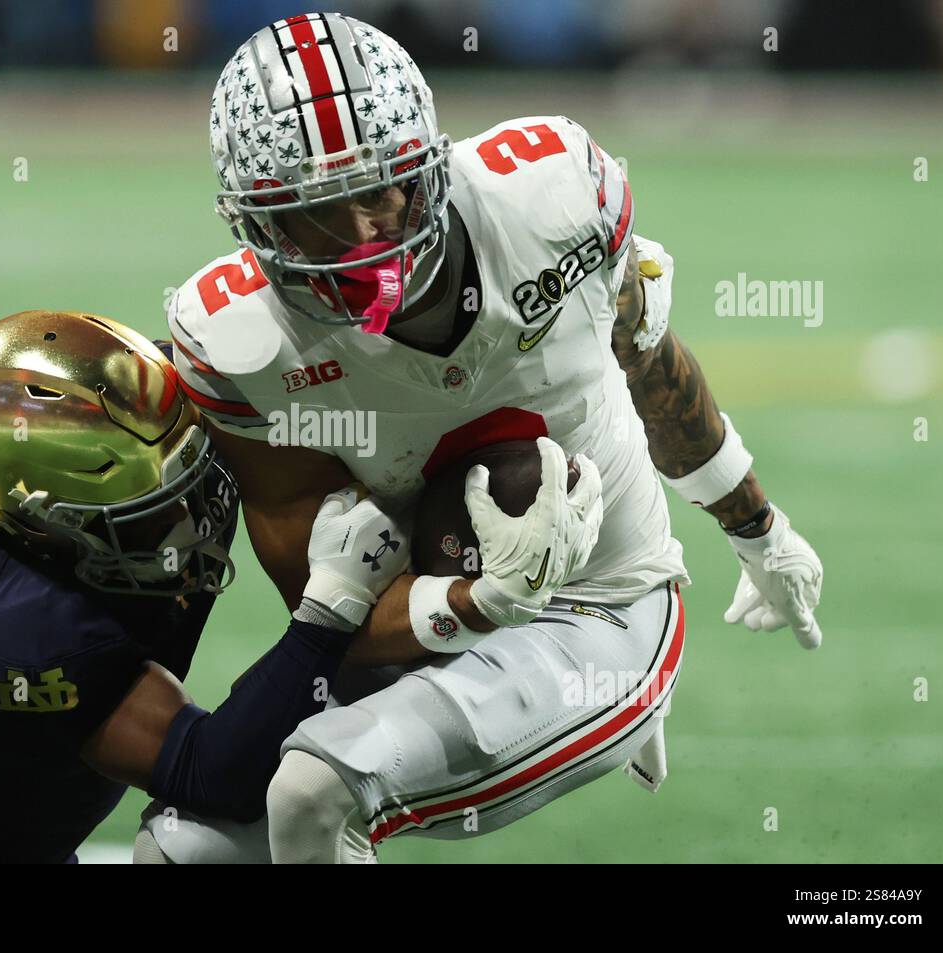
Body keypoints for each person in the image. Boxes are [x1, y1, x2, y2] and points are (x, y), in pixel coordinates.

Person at [148, 12, 824, 863]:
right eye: (319, 211)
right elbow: (325, 608)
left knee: (311, 791)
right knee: (183, 850)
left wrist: (759, 530)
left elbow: (652, 367)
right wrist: (472, 604)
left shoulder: (551, 199)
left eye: (382, 187)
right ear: (261, 226)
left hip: (604, 605)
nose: (365, 233)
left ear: (428, 163)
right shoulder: (241, 340)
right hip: (418, 617)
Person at [0, 309, 410, 862]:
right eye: (157, 504)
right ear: (54, 521)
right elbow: (212, 775)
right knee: (194, 846)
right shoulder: (19, 638)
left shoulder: (158, 415)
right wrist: (329, 609)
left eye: (193, 462)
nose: (201, 506)